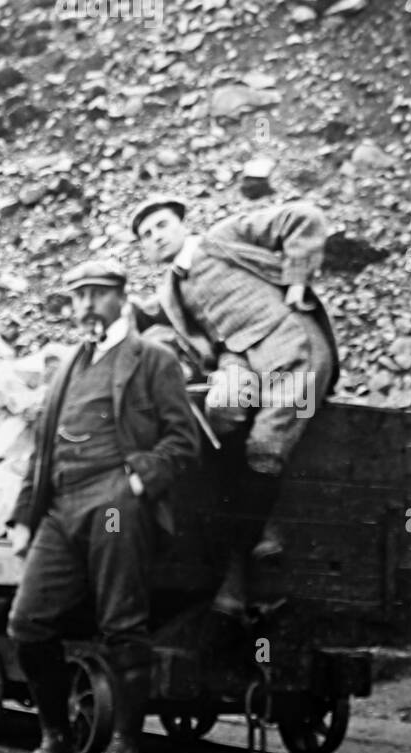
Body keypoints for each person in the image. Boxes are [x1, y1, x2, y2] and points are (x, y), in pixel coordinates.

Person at [0, 259, 200, 753]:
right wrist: (23, 515)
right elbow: (42, 449)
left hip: (115, 499)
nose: (86, 304)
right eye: (78, 295)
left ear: (122, 299)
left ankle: (126, 750)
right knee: (28, 622)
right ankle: (55, 744)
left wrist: (134, 485)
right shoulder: (66, 366)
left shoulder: (151, 358)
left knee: (121, 621)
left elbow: (182, 442)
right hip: (62, 504)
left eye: (98, 294)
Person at [130, 195, 338, 626]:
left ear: (183, 225)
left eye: (162, 225)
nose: (156, 237)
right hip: (239, 360)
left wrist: (297, 283)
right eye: (146, 236)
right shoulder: (170, 290)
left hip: (287, 342)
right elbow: (153, 327)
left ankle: (248, 555)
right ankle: (261, 528)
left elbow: (304, 216)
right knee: (218, 412)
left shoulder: (224, 238)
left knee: (268, 440)